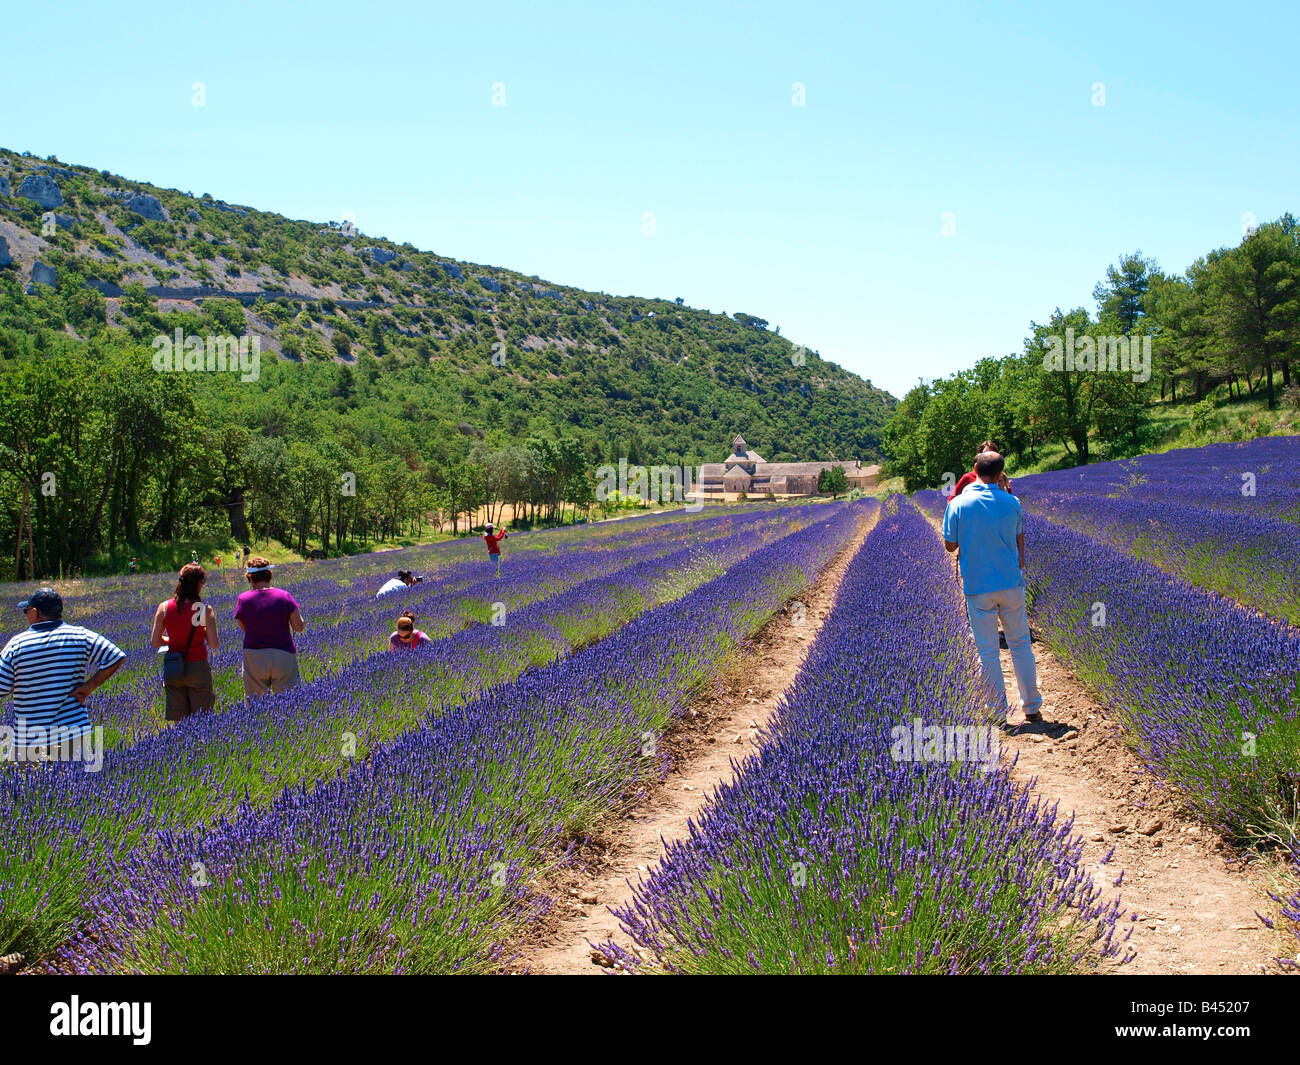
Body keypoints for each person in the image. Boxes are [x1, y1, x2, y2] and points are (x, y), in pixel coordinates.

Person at [941, 451, 1044, 728]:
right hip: (1011, 583)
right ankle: (1032, 708)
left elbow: (950, 544)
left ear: (974, 469)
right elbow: (1017, 536)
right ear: (1001, 474)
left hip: (978, 585)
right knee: (1021, 644)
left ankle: (996, 712)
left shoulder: (959, 504)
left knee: (987, 651)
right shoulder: (1013, 503)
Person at [0, 587, 125, 763]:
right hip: (75, 733)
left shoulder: (17, 644)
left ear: (35, 612)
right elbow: (116, 656)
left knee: (34, 788)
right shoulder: (80, 635)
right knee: (79, 787)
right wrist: (88, 687)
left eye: (26, 611)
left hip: (32, 738)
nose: (26, 615)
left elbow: (2, 686)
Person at [150, 563, 218, 722]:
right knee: (203, 720)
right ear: (198, 583)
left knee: (180, 723)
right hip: (197, 668)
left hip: (174, 668)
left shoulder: (165, 608)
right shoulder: (201, 610)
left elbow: (155, 642)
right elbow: (213, 644)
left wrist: (172, 639)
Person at [233, 557, 305, 698]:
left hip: (254, 655)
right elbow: (299, 627)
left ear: (250, 578)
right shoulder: (284, 596)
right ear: (269, 576)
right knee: (289, 701)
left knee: (256, 703)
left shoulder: (244, 599)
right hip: (283, 653)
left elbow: (243, 626)